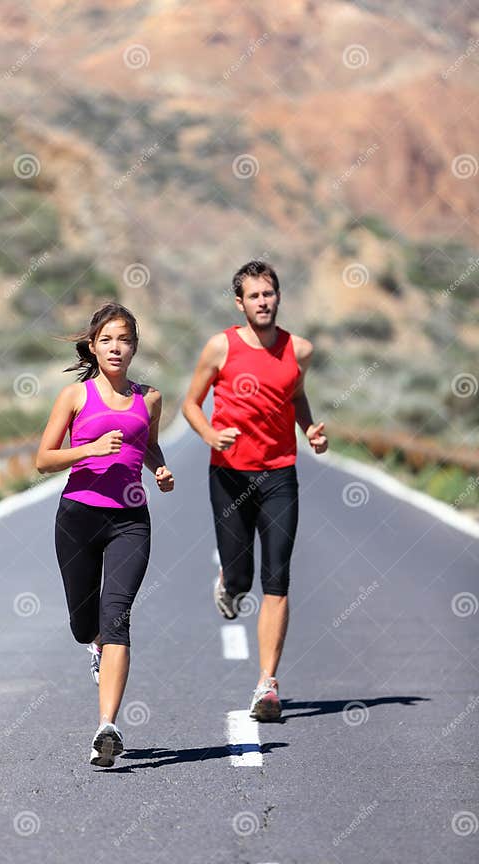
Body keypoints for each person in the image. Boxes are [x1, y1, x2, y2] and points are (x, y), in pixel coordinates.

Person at [182, 261, 327, 721]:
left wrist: (309, 429)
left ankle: (267, 684)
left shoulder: (299, 350)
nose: (263, 302)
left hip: (279, 475)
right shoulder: (220, 347)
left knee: (277, 579)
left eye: (269, 294)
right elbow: (190, 403)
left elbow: (295, 395)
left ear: (278, 297)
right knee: (242, 578)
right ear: (239, 303)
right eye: (254, 296)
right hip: (229, 476)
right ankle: (229, 583)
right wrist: (210, 434)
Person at [36, 303, 174, 766]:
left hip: (130, 521)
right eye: (107, 340)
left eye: (125, 340)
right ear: (93, 347)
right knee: (83, 624)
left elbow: (148, 445)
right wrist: (90, 449)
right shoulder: (74, 397)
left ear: (135, 347)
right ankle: (94, 644)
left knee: (117, 616)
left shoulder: (149, 399)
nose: (116, 348)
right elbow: (43, 459)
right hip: (78, 517)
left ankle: (106, 727)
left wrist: (159, 468)